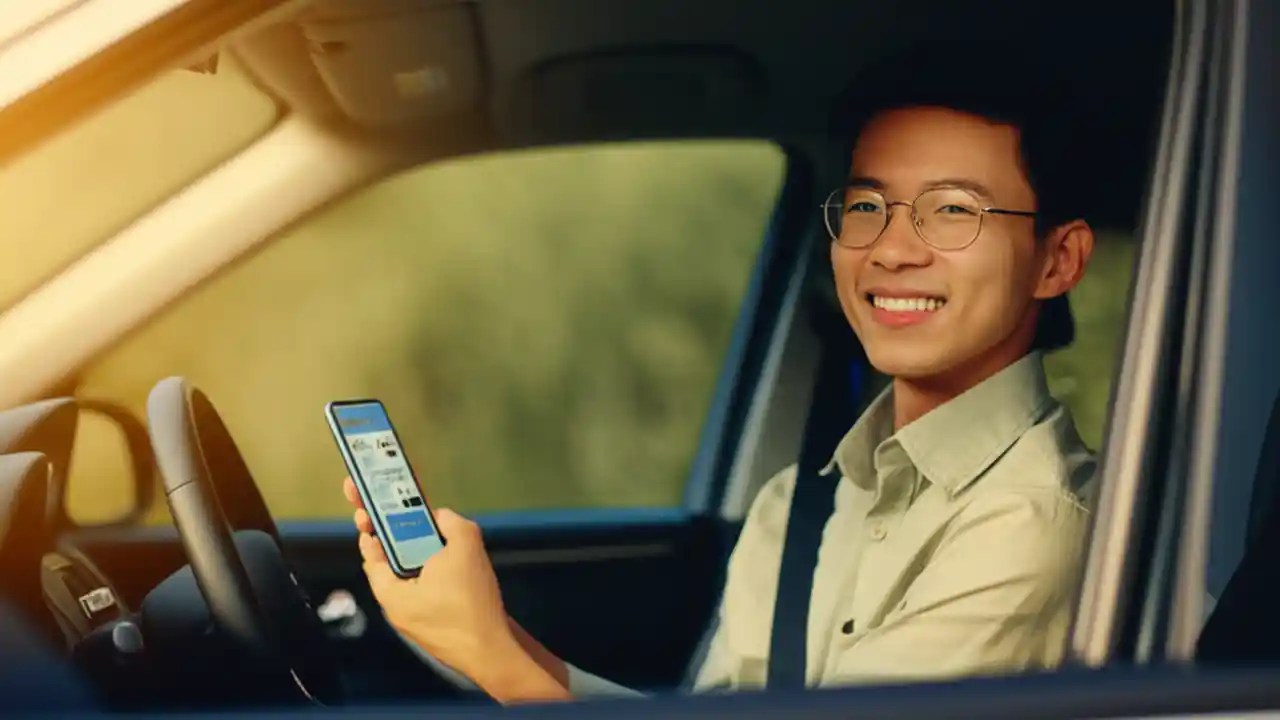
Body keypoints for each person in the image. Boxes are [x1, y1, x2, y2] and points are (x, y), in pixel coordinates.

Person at [340, 70, 1099, 703]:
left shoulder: (1035, 524)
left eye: (953, 212)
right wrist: (491, 637)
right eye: (868, 206)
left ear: (1057, 261)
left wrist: (496, 663)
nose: (893, 248)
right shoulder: (799, 503)